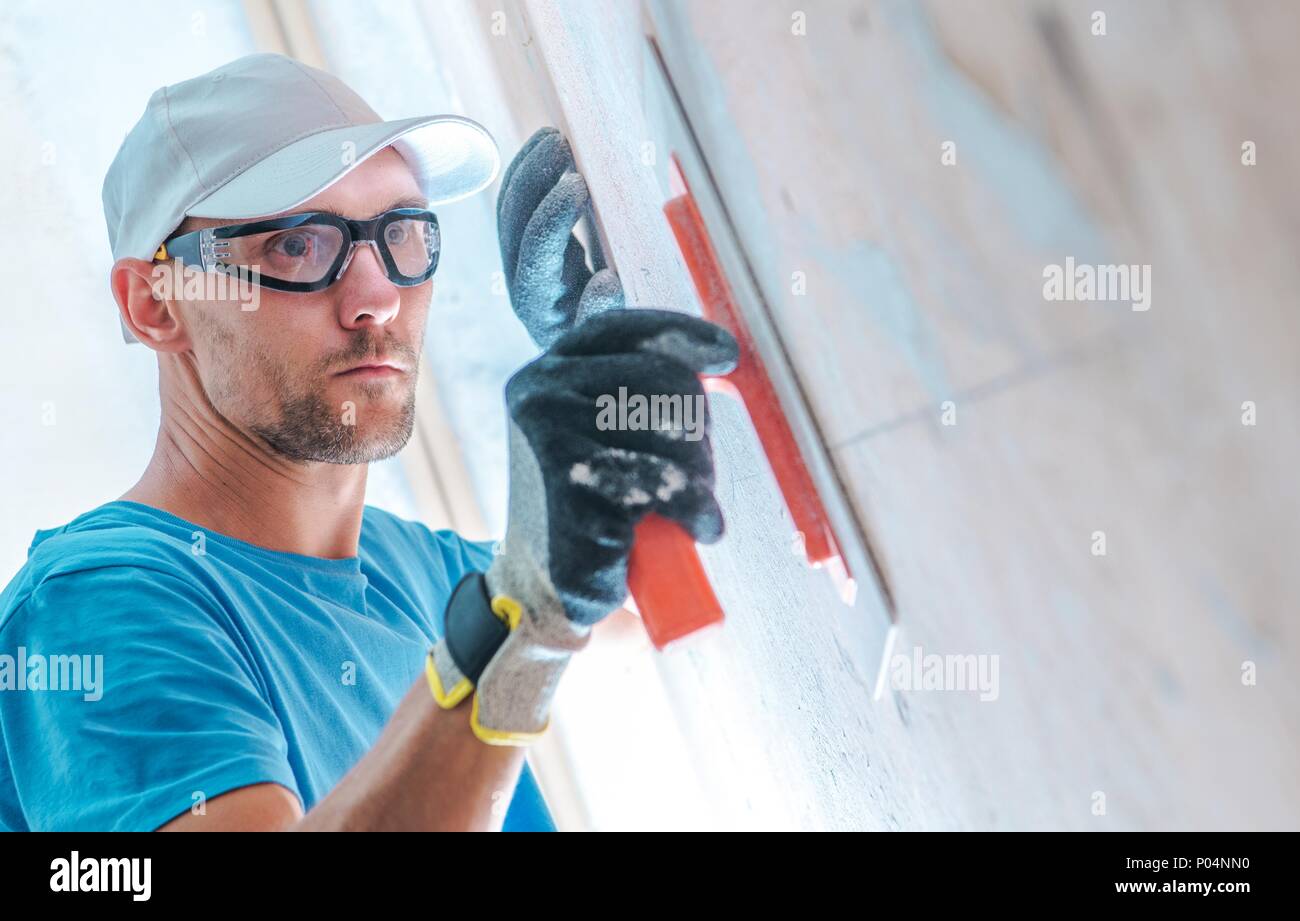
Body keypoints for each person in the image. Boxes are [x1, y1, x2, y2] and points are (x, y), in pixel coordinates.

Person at [0, 53, 734, 831]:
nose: (377, 298)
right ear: (155, 305)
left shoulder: (417, 571)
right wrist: (518, 621)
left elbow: (653, 601)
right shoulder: (94, 611)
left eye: (400, 233)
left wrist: (616, 393)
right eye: (295, 246)